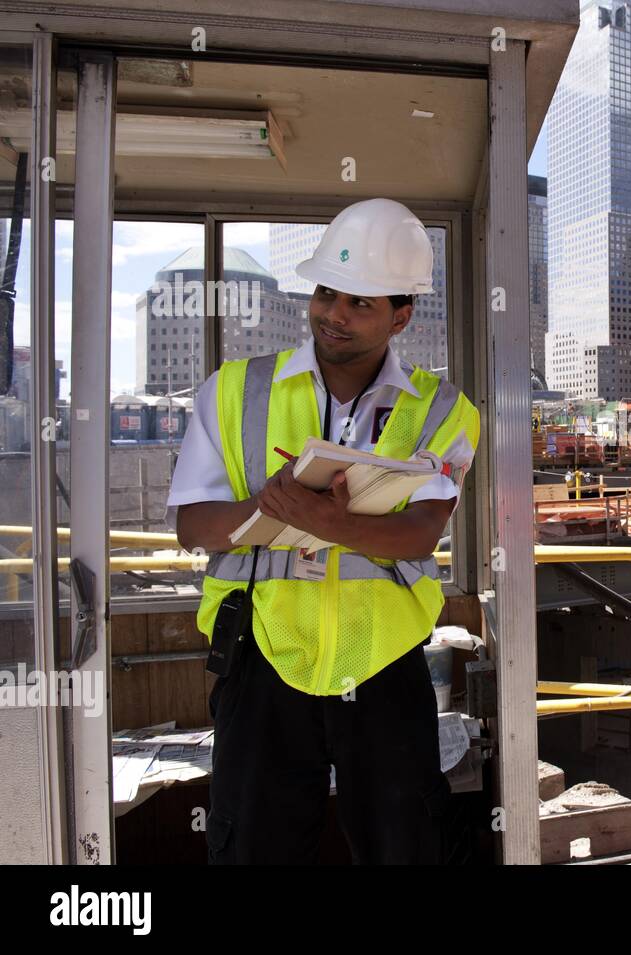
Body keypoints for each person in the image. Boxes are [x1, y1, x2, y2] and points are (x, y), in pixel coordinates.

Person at [166, 197, 479, 864]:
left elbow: (424, 531)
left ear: (401, 314)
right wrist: (269, 510)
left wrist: (331, 521)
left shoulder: (445, 409)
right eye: (326, 292)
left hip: (385, 661)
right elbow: (193, 524)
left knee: (405, 846)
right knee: (253, 847)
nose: (333, 313)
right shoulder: (233, 390)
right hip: (262, 655)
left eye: (360, 302)